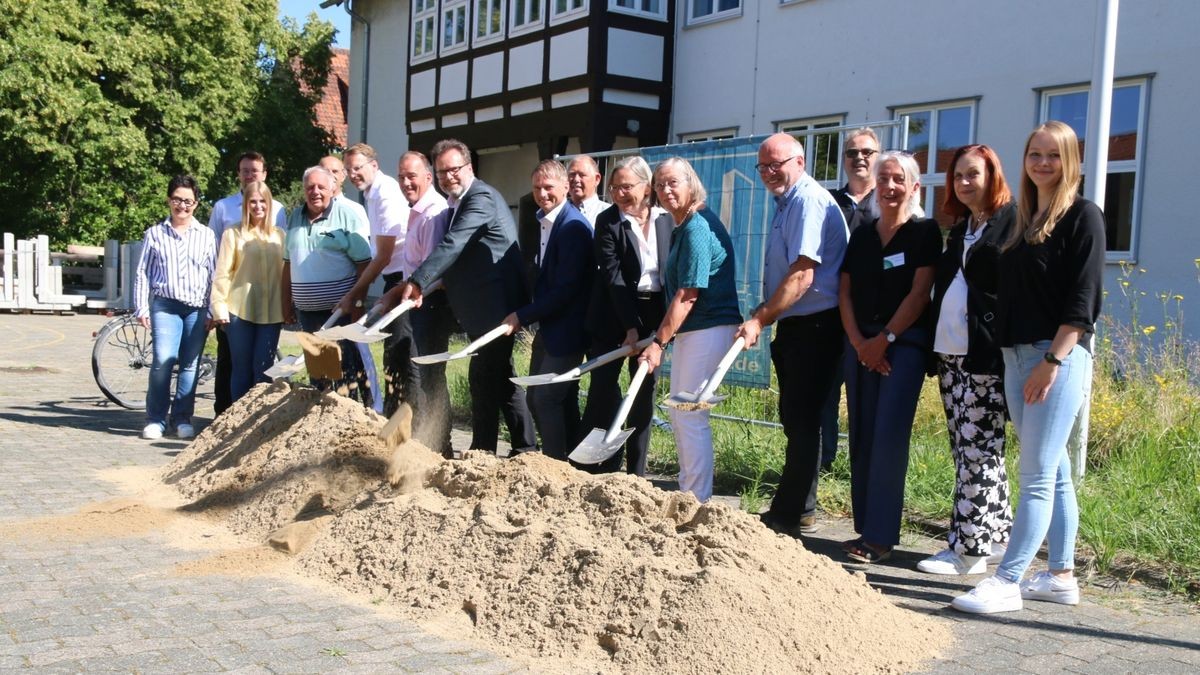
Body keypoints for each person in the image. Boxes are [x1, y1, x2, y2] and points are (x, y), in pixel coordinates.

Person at [952, 121, 1104, 613]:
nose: (1042, 163)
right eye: (1035, 154)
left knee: (1035, 474)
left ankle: (1007, 580)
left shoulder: (1083, 216)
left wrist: (1053, 360)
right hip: (1016, 356)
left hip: (1054, 357)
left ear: (1070, 160)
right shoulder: (1023, 218)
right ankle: (1060, 577)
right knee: (1054, 471)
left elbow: (1083, 301)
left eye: (1053, 155)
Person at [380, 139, 536, 455]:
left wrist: (418, 281)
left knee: (484, 379)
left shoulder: (480, 198)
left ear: (469, 167)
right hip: (481, 310)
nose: (448, 177)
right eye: (442, 172)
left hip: (497, 308)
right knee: (499, 378)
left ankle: (486, 451)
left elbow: (454, 243)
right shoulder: (457, 203)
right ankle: (522, 448)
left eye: (454, 169)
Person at [737, 133, 848, 536]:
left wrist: (761, 317)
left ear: (800, 162)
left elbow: (802, 274)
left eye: (776, 164)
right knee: (798, 420)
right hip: (799, 324)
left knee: (802, 421)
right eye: (763, 166)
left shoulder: (807, 201)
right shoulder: (787, 201)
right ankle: (799, 508)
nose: (769, 172)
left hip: (816, 327)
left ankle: (787, 516)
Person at [838, 151, 941, 563]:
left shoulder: (925, 232)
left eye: (899, 179)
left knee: (888, 439)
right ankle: (865, 527)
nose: (890, 186)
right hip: (861, 347)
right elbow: (844, 291)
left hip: (903, 347)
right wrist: (860, 343)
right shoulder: (863, 234)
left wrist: (885, 339)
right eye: (884, 179)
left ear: (914, 186)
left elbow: (920, 293)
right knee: (862, 436)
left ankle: (880, 538)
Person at [919, 144, 1016, 576]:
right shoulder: (963, 227)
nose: (963, 182)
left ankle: (968, 551)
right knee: (968, 449)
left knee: (979, 449)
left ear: (992, 175)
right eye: (957, 176)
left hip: (983, 356)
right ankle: (997, 537)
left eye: (972, 174)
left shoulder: (1009, 221)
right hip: (950, 354)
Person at [638, 157, 741, 503]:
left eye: (673, 182)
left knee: (689, 413)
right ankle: (689, 492)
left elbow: (688, 294)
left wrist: (658, 342)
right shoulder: (684, 225)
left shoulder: (697, 227)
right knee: (680, 412)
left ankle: (695, 499)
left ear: (690, 183)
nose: (665, 190)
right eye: (659, 185)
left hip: (708, 327)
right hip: (695, 330)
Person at [581, 156, 672, 475]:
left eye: (626, 187)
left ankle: (636, 473)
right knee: (603, 390)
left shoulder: (666, 218)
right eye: (614, 187)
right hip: (612, 313)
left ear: (646, 187)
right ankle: (593, 466)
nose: (619, 193)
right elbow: (613, 276)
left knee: (643, 394)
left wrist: (662, 326)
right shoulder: (608, 221)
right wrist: (630, 326)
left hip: (654, 313)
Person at [502, 160, 593, 460]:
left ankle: (555, 466)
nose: (542, 194)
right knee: (538, 397)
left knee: (546, 399)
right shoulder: (547, 221)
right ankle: (570, 461)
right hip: (550, 327)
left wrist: (522, 315)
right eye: (537, 188)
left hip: (568, 330)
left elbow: (566, 289)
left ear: (566, 187)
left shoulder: (573, 227)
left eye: (548, 187)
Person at [133, 175, 216, 440]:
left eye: (188, 201)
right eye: (178, 200)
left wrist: (212, 310)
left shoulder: (207, 235)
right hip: (165, 306)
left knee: (190, 365)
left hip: (197, 308)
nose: (183, 206)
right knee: (162, 361)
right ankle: (156, 419)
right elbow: (143, 272)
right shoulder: (155, 234)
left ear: (196, 204)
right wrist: (141, 307)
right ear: (169, 201)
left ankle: (182, 418)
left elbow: (214, 275)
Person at [281, 166, 373, 400]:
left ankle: (348, 416)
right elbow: (288, 265)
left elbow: (364, 263)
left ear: (332, 189)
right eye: (310, 187)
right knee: (319, 372)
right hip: (307, 313)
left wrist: (358, 303)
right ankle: (321, 415)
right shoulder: (295, 217)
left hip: (340, 311)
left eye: (321, 187)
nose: (315, 192)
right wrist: (286, 303)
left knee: (344, 371)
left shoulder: (346, 215)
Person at [336, 143, 414, 418]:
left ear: (374, 165)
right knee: (392, 351)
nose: (353, 174)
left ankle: (400, 419)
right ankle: (391, 416)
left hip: (404, 278)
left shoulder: (385, 193)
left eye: (357, 168)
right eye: (348, 170)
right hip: (393, 276)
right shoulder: (372, 193)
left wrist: (355, 293)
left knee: (398, 353)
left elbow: (382, 256)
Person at [207, 151, 287, 416]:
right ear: (246, 204)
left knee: (263, 370)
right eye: (253, 201)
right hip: (238, 310)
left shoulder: (280, 236)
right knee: (240, 369)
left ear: (269, 204)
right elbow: (222, 273)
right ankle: (236, 421)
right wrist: (218, 308)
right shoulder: (232, 233)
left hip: (271, 311)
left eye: (262, 202)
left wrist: (289, 305)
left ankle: (257, 421)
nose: (258, 206)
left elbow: (286, 273)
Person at [822, 128, 882, 469]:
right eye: (852, 152)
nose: (859, 158)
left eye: (867, 152)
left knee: (867, 397)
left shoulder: (887, 198)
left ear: (878, 157)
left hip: (873, 317)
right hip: (831, 312)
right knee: (826, 393)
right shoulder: (829, 202)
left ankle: (865, 463)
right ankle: (825, 461)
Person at [396, 150, 454, 455]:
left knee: (429, 375)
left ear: (428, 177)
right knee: (420, 373)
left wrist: (412, 292)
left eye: (412, 176)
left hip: (431, 304)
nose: (406, 182)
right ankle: (428, 441)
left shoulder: (432, 214)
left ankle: (438, 444)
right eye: (401, 177)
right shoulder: (417, 210)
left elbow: (434, 270)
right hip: (416, 301)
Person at [319, 154, 370, 229]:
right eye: (325, 172)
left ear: (343, 176)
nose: (330, 175)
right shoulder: (308, 210)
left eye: (335, 171)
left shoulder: (355, 210)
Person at [567, 155, 611, 226]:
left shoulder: (609, 214)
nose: (576, 179)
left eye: (582, 175)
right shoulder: (557, 211)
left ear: (597, 179)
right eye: (572, 174)